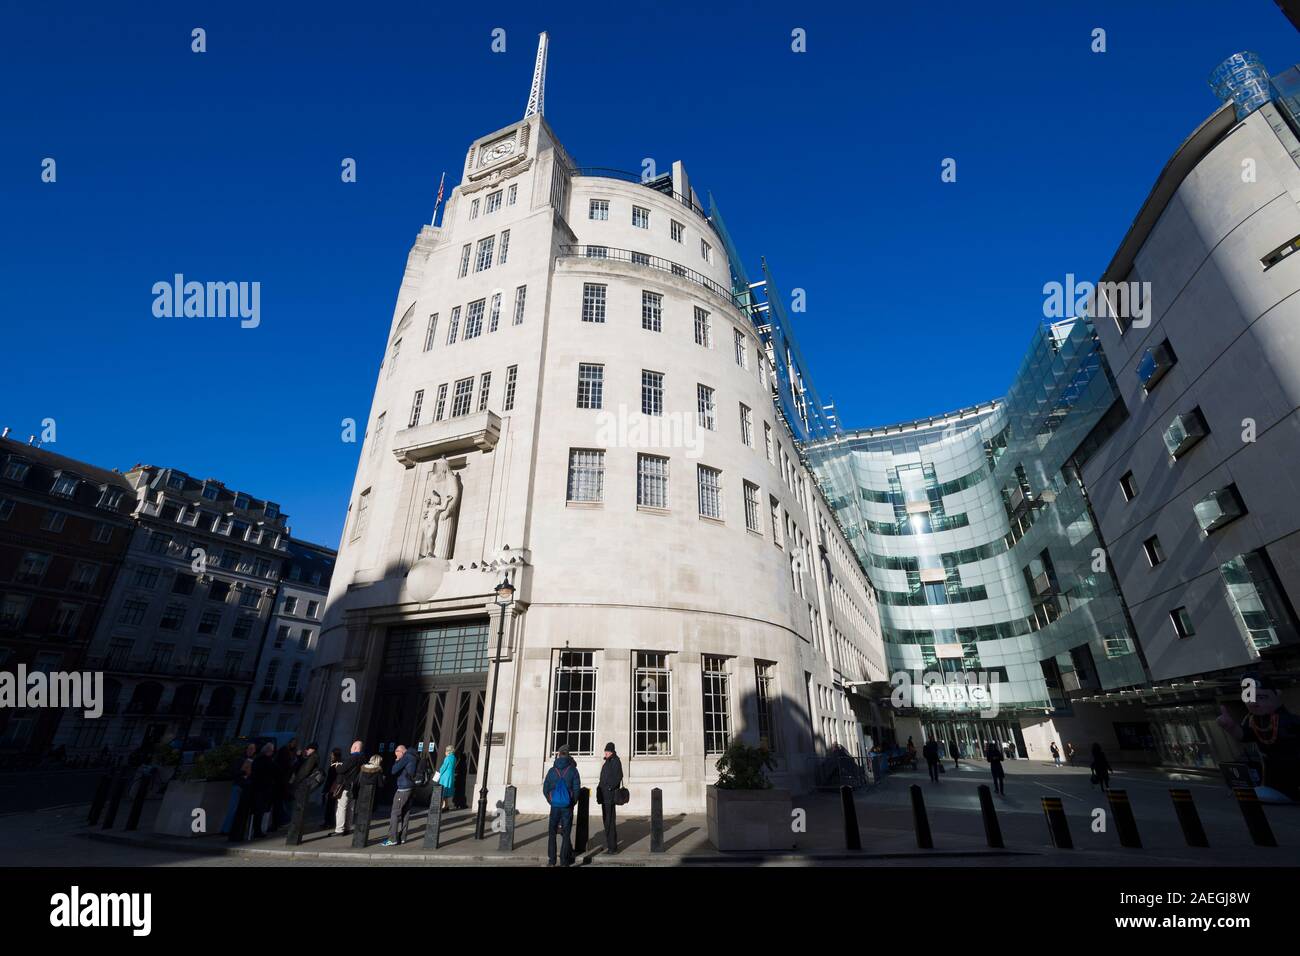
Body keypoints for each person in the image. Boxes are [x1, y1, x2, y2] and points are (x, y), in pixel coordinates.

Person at [543, 745, 581, 867]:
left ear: (559, 754)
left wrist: (551, 800)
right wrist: (572, 802)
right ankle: (564, 862)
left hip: (555, 806)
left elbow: (545, 788)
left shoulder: (552, 770)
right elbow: (577, 789)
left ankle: (552, 861)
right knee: (566, 833)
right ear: (568, 755)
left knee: (552, 833)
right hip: (567, 806)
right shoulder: (573, 770)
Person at [382, 744, 417, 846]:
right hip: (411, 787)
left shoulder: (406, 757)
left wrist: (397, 760)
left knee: (395, 812)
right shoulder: (414, 756)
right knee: (405, 813)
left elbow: (393, 770)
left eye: (396, 752)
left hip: (403, 788)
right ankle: (402, 837)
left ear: (401, 751)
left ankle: (392, 838)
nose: (396, 755)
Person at [334, 740, 365, 835]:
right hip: (355, 786)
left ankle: (339, 829)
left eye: (351, 747)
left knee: (342, 807)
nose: (350, 749)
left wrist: (337, 766)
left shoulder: (353, 758)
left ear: (355, 748)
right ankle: (348, 827)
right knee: (351, 808)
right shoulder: (363, 758)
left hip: (346, 785)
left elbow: (341, 770)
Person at [597, 741, 623, 854]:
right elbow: (603, 778)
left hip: (609, 796)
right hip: (604, 797)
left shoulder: (615, 761)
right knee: (606, 821)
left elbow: (618, 776)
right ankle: (610, 845)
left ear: (612, 752)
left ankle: (612, 848)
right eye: (605, 751)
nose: (606, 753)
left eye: (608, 751)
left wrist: (609, 788)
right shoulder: (607, 761)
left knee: (610, 822)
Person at [250, 743, 277, 838]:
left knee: (258, 811)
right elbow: (273, 772)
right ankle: (257, 830)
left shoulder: (257, 759)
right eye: (272, 751)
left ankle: (256, 830)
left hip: (258, 787)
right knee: (260, 811)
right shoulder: (267, 761)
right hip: (263, 788)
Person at [323, 748, 343, 828]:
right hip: (334, 787)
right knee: (331, 805)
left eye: (332, 755)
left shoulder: (334, 765)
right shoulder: (339, 764)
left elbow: (330, 779)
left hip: (332, 788)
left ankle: (328, 822)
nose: (331, 756)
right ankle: (329, 822)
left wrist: (326, 789)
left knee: (330, 806)